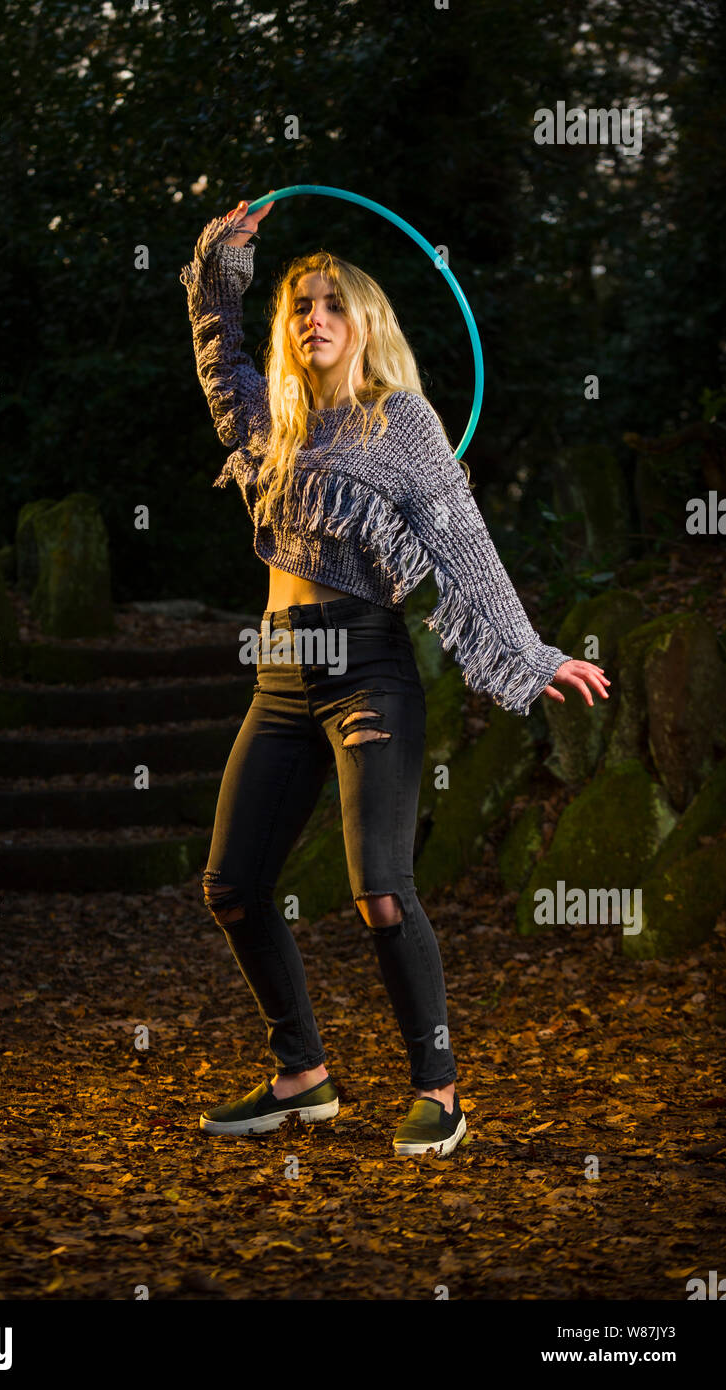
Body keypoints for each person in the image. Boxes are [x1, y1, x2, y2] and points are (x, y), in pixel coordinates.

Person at [179, 193, 609, 1157]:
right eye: (301, 305)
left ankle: (440, 1090)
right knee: (232, 885)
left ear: (364, 323)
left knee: (379, 887)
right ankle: (304, 1076)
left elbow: (466, 550)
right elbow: (215, 339)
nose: (314, 317)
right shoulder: (268, 417)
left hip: (366, 670)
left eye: (332, 303)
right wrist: (223, 259)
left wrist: (531, 655)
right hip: (281, 675)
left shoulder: (401, 423)